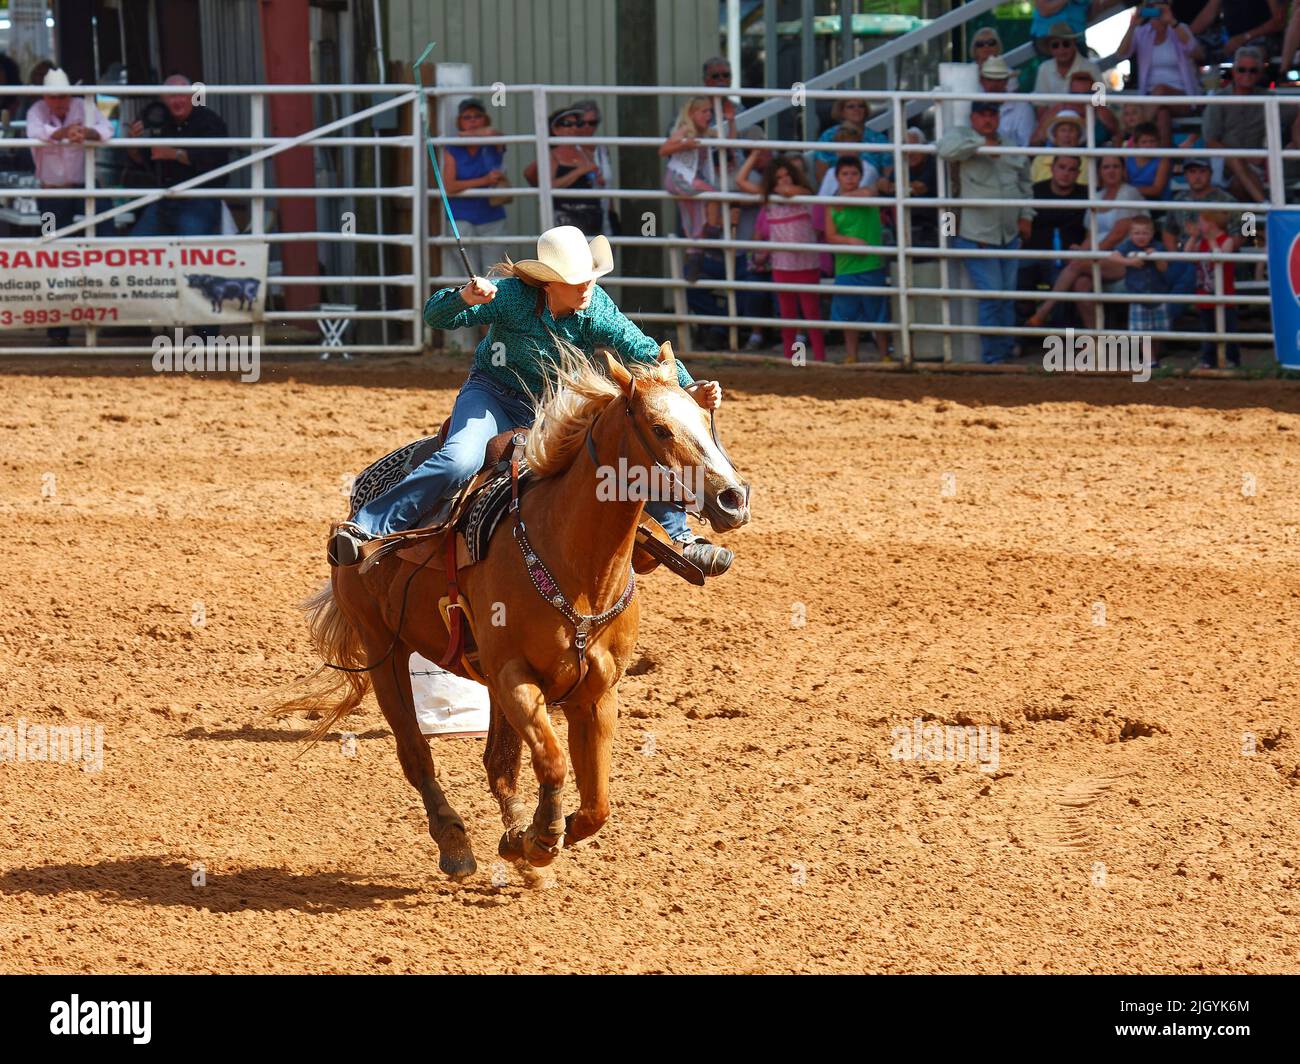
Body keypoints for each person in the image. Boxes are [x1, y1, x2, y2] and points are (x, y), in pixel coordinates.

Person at [333, 226, 733, 575]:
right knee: (460, 459)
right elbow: (437, 317)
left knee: (622, 446)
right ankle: (369, 525)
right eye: (577, 282)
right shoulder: (509, 296)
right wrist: (465, 298)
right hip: (492, 393)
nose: (586, 288)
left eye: (589, 280)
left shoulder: (596, 308)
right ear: (547, 282)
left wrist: (688, 388)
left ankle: (680, 537)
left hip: (554, 407)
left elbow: (643, 348)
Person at [937, 101, 1034, 364]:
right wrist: (979, 145)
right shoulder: (962, 136)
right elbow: (945, 150)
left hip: (1007, 233)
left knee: (1005, 298)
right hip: (977, 235)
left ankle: (1000, 352)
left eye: (992, 114)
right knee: (994, 297)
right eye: (983, 115)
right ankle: (995, 356)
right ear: (973, 118)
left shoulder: (1010, 144)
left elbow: (1025, 182)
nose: (988, 120)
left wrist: (1026, 215)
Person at [26, 67, 115, 345]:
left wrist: (85, 132)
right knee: (53, 250)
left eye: (62, 96)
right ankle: (58, 326)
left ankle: (107, 304)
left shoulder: (82, 106)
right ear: (45, 97)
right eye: (54, 97)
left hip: (81, 188)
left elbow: (106, 129)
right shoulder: (36, 111)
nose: (59, 102)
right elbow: (36, 133)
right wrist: (66, 132)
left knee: (104, 237)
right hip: (52, 193)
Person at [1027, 155, 1139, 329]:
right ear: (1099, 172)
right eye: (1106, 167)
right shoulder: (1097, 196)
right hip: (1099, 259)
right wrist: (1082, 250)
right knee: (1080, 284)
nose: (1111, 171)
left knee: (1076, 265)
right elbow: (1090, 235)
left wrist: (1086, 255)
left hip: (1125, 258)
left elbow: (1118, 234)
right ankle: (1095, 339)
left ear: (1123, 171)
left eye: (1116, 167)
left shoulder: (1129, 193)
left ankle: (1043, 311)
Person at [735, 153, 824, 362]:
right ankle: (791, 359)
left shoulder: (803, 194)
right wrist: (756, 153)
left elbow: (792, 191)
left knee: (812, 314)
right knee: (788, 316)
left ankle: (820, 358)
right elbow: (740, 181)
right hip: (783, 265)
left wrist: (774, 188)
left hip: (806, 265)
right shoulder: (770, 199)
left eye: (787, 176)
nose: (784, 181)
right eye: (778, 177)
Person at [126, 73, 229, 236]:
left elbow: (214, 159)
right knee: (136, 246)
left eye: (182, 94)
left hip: (200, 198)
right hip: (164, 199)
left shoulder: (209, 121)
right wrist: (132, 143)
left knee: (189, 247)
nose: (177, 101)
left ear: (193, 96)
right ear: (163, 99)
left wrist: (174, 154)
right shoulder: (157, 119)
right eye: (171, 96)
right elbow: (142, 161)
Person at [825, 156, 889, 364]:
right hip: (846, 267)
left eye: (854, 174)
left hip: (871, 264)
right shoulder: (832, 205)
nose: (850, 178)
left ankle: (884, 355)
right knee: (847, 315)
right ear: (837, 177)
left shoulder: (866, 196)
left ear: (861, 176)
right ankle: (852, 355)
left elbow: (872, 190)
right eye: (845, 174)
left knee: (877, 312)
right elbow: (830, 236)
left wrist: (842, 200)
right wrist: (850, 241)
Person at [1115, 3, 1200, 145]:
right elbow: (1121, 54)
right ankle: (1165, 160)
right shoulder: (1142, 33)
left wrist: (1172, 22)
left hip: (1182, 96)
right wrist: (1132, 26)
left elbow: (1196, 52)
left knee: (1160, 89)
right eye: (1152, 11)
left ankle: (1136, 134)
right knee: (1162, 115)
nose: (1157, 17)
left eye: (1160, 11)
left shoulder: (1179, 29)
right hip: (1152, 99)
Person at [1202, 46, 1272, 206]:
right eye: (1242, 69)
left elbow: (1295, 113)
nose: (1247, 74)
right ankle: (1267, 207)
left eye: (1252, 70)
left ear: (1260, 73)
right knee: (1235, 162)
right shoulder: (1219, 100)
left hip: (1256, 168)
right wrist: (1244, 156)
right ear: (1234, 71)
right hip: (1223, 167)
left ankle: (1251, 226)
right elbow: (1211, 141)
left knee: (1241, 183)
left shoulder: (1268, 98)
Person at [524, 106, 604, 237]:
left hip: (592, 216)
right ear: (555, 130)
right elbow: (549, 185)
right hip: (565, 217)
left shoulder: (585, 151)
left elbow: (594, 181)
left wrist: (597, 178)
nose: (574, 128)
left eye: (577, 124)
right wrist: (579, 171)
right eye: (567, 124)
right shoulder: (551, 155)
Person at [1106, 214, 1170, 352]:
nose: (1141, 236)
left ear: (1152, 234)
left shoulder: (1158, 246)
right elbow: (1113, 256)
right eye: (1137, 233)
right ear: (1130, 234)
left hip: (1158, 295)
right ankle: (1149, 360)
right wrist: (1130, 262)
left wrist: (1156, 256)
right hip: (1137, 296)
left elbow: (1163, 267)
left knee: (1158, 331)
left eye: (1145, 233)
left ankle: (1155, 358)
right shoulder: (1128, 245)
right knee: (1141, 333)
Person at [1184, 209, 1239, 367]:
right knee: (1208, 329)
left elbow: (1219, 258)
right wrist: (1194, 237)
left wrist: (1210, 240)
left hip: (1224, 293)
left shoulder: (1226, 240)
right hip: (1205, 293)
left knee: (1229, 329)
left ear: (1211, 224)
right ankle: (1209, 359)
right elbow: (1187, 254)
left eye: (1201, 222)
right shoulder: (1201, 241)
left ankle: (1231, 359)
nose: (1198, 225)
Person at [813, 98, 892, 186]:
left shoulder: (879, 139)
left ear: (865, 110)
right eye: (851, 106)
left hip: (870, 191)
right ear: (841, 111)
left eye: (861, 106)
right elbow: (821, 172)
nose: (856, 109)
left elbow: (887, 172)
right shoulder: (828, 136)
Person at [1033, 22, 1102, 105]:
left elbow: (1100, 104)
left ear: (1074, 44)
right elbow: (1040, 106)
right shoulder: (1044, 68)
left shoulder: (1091, 68)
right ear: (1050, 49)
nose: (1061, 49)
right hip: (1054, 117)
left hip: (1085, 117)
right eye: (1055, 45)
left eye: (1066, 44)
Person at [980, 58, 1035, 148]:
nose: (994, 85)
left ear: (1006, 81)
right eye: (990, 79)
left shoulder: (1023, 108)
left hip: (1012, 160)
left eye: (998, 80)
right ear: (982, 81)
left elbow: (1026, 145)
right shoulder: (973, 103)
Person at [1125, 122, 1171, 200]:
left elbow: (1157, 190)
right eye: (1144, 142)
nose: (1148, 145)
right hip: (1130, 199)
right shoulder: (1127, 158)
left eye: (1152, 141)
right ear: (1136, 144)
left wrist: (1130, 190)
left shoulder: (1163, 161)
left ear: (1158, 142)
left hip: (1156, 204)